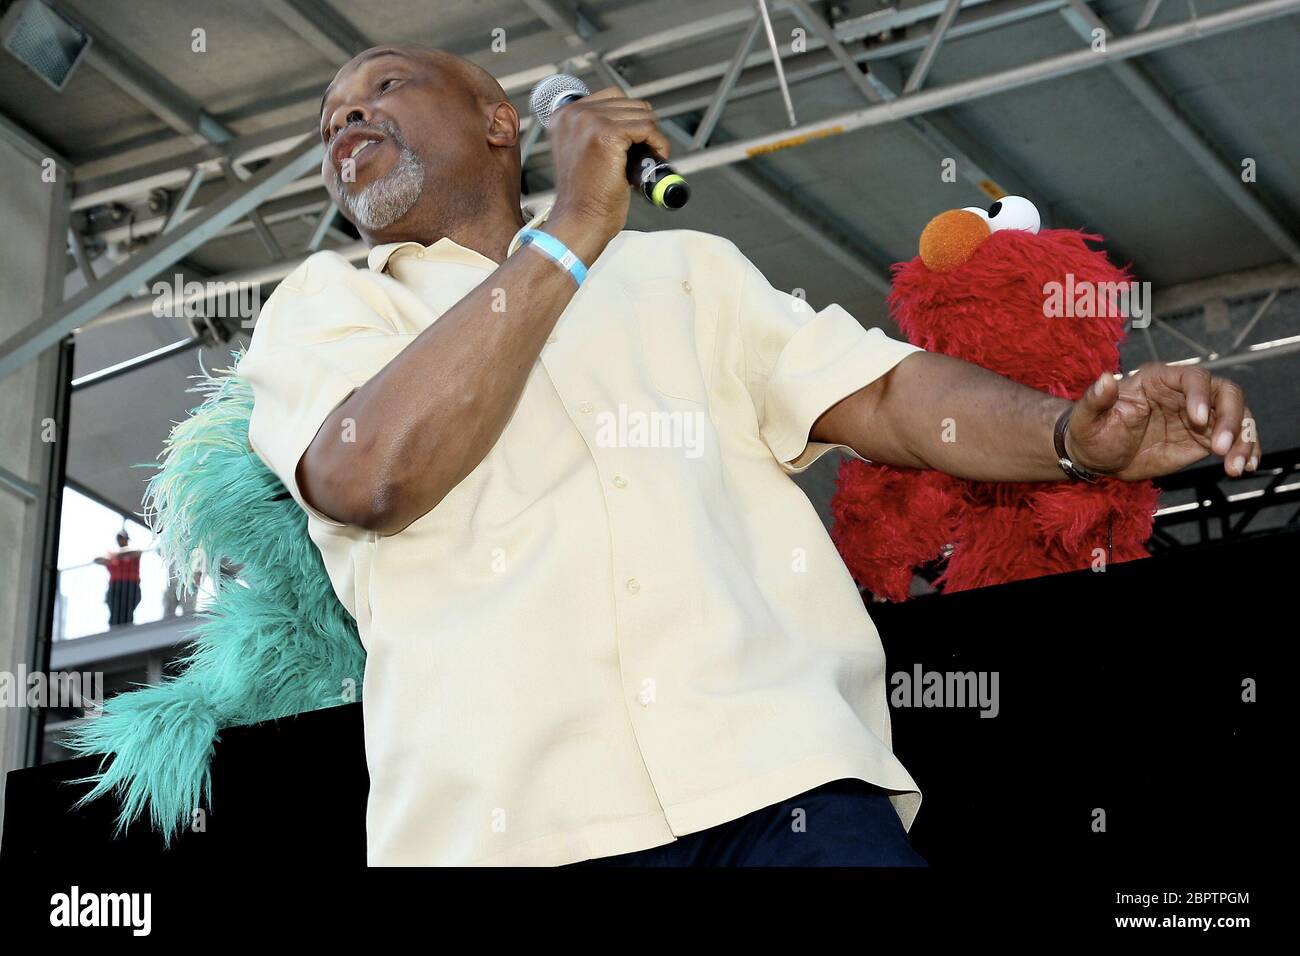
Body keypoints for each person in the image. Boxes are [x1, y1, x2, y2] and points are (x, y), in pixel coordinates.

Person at [237, 45, 1262, 866]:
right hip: (512, 827)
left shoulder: (686, 273)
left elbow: (891, 393)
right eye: (331, 121)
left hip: (785, 789)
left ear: (500, 123)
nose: (348, 120)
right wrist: (571, 232)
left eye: (384, 87)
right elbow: (369, 475)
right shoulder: (330, 307)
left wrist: (1068, 435)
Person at [95, 531, 141, 628]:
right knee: (115, 611)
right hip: (116, 587)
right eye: (119, 538)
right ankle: (114, 629)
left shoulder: (131, 552)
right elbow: (97, 559)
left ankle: (127, 628)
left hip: (131, 586)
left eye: (123, 538)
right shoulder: (112, 555)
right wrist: (114, 557)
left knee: (128, 612)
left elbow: (137, 552)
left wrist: (116, 556)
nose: (121, 541)